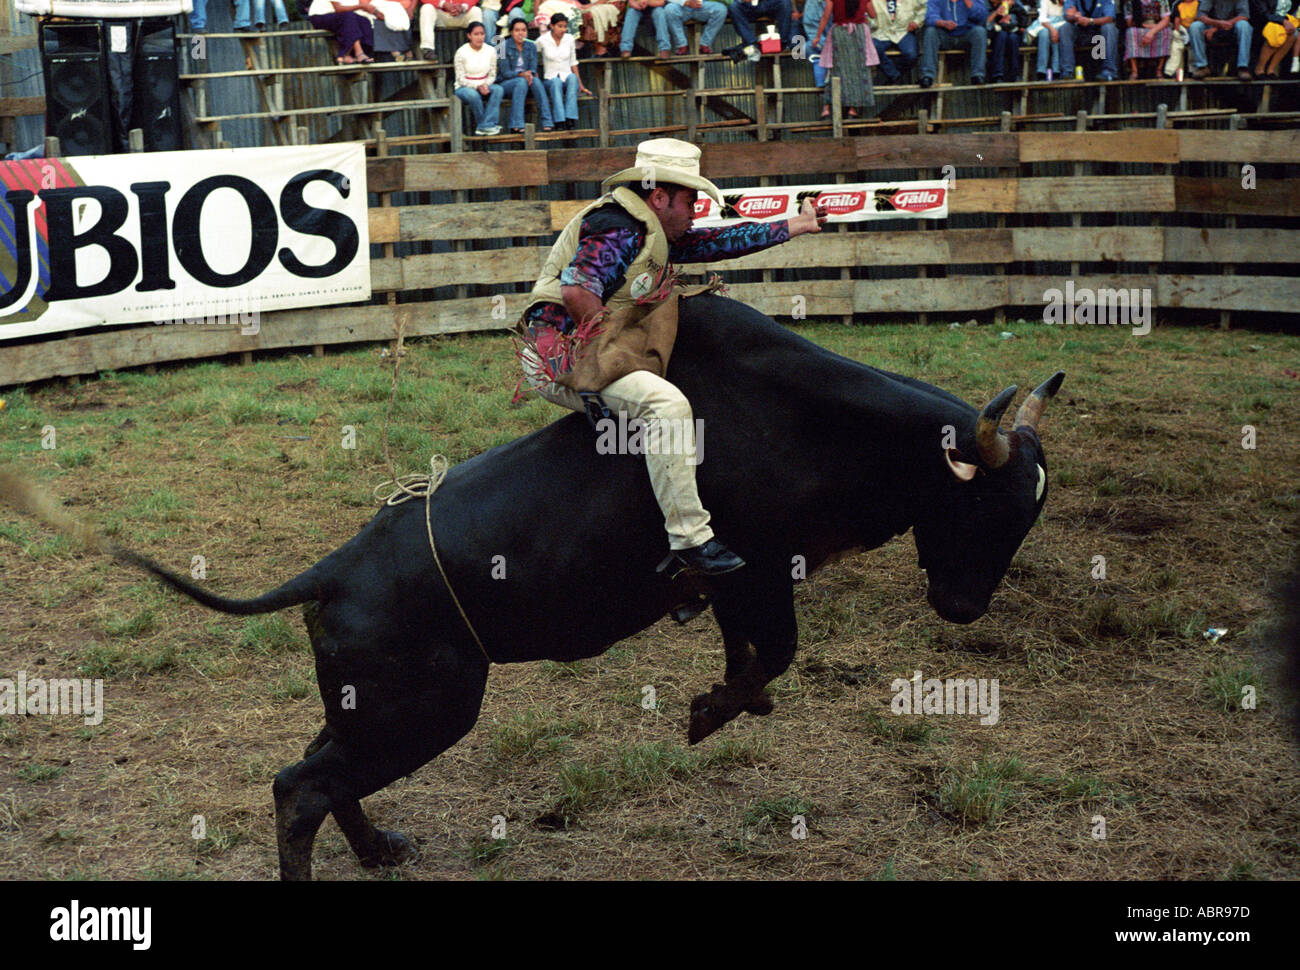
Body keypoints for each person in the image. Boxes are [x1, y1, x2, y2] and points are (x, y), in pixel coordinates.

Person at [515, 138, 828, 575]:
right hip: (562, 357)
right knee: (667, 406)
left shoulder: (647, 225)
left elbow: (713, 244)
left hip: (588, 345)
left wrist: (794, 225)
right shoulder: (618, 225)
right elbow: (577, 289)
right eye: (691, 200)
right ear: (659, 197)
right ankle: (689, 543)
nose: (697, 210)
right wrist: (605, 350)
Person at [813, 0, 881, 116]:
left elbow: (825, 16)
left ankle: (827, 108)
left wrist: (818, 36)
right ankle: (852, 109)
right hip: (858, 34)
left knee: (836, 70)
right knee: (858, 70)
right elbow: (873, 15)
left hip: (839, 33)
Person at [498, 17, 554, 131]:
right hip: (506, 84)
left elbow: (533, 68)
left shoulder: (531, 46)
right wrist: (521, 74)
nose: (520, 33)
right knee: (521, 81)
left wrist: (529, 74)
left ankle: (547, 121)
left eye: (523, 30)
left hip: (527, 81)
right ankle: (517, 124)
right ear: (511, 32)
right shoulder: (502, 46)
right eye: (517, 30)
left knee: (536, 81)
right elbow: (505, 73)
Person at [919, 0, 990, 86]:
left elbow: (982, 18)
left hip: (966, 35)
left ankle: (978, 75)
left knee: (980, 32)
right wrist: (943, 23)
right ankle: (927, 76)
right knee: (930, 31)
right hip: (945, 35)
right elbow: (930, 17)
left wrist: (969, 3)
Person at [539, 12, 592, 126]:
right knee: (556, 82)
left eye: (565, 26)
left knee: (572, 77)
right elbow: (532, 54)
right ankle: (560, 120)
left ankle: (570, 118)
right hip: (550, 79)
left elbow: (573, 63)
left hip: (566, 78)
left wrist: (581, 85)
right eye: (560, 26)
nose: (563, 29)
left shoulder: (569, 39)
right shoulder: (542, 40)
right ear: (552, 26)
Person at [454, 22, 505, 134]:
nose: (479, 37)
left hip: (485, 84)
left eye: (482, 34)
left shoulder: (491, 51)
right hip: (465, 87)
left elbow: (492, 74)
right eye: (476, 34)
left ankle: (485, 125)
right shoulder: (461, 52)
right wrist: (477, 86)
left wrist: (485, 84)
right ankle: (486, 125)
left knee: (498, 89)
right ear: (469, 36)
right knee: (473, 95)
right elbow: (460, 78)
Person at [1187, 0, 1252, 78]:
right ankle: (1202, 66)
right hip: (1211, 26)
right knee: (1195, 26)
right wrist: (1217, 24)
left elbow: (1244, 16)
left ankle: (1243, 67)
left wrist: (1218, 27)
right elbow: (1201, 16)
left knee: (1244, 25)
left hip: (1232, 27)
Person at [1059, 0, 1121, 80]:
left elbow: (1110, 18)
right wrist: (1075, 17)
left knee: (1109, 28)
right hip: (1080, 32)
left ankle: (1109, 72)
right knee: (1065, 28)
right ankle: (1067, 71)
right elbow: (1067, 15)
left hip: (1098, 34)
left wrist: (1091, 21)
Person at [869, 0, 923, 85]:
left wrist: (917, 22)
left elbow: (925, 7)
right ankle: (895, 75)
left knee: (911, 54)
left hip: (904, 31)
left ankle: (894, 73)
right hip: (881, 32)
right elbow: (868, 15)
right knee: (872, 48)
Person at [305, 0, 378, 63]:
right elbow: (339, 9)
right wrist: (361, 6)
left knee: (363, 20)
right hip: (319, 17)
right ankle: (353, 54)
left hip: (340, 17)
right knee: (349, 16)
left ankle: (366, 52)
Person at [419, 0, 484, 60]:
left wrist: (463, 6)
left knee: (476, 11)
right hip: (440, 13)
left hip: (461, 13)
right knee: (426, 8)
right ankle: (427, 49)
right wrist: (442, 3)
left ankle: (475, 49)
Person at [1123, 0, 1171, 76]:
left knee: (1166, 32)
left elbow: (1166, 20)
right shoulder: (1130, 1)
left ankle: (1159, 70)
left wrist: (1152, 32)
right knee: (1131, 32)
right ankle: (1134, 71)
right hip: (1140, 26)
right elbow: (1129, 22)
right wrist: (1147, 27)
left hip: (1157, 26)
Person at [987, 0, 1031, 80]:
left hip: (1012, 31)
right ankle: (997, 74)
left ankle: (1015, 73)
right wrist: (996, 16)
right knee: (1001, 36)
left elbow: (1023, 17)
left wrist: (1012, 19)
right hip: (995, 33)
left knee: (1013, 38)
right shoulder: (985, 4)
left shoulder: (1013, 3)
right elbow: (986, 22)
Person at [665, 0, 729, 53]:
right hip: (680, 6)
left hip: (702, 5)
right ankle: (681, 45)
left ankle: (705, 44)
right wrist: (685, 2)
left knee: (721, 10)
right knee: (669, 9)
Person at [1255, 0, 1299, 75]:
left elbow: (1292, 11)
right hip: (1265, 20)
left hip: (1285, 21)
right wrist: (1282, 21)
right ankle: (1260, 68)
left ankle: (1271, 69)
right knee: (1275, 32)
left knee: (1293, 33)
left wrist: (1287, 21)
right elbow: (1263, 13)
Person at [1028, 0, 1066, 77]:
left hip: (1062, 25)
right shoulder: (1045, 1)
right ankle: (1041, 70)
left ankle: (1056, 69)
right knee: (1044, 33)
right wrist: (1052, 30)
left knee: (1059, 33)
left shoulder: (1068, 2)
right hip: (1046, 25)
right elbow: (1042, 19)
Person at [1163, 0, 1199, 73]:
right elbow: (1177, 20)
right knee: (1176, 46)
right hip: (1181, 29)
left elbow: (1199, 18)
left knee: (1193, 47)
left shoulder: (1198, 3)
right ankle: (1171, 71)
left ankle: (1193, 71)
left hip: (1194, 30)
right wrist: (1178, 33)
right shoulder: (1178, 4)